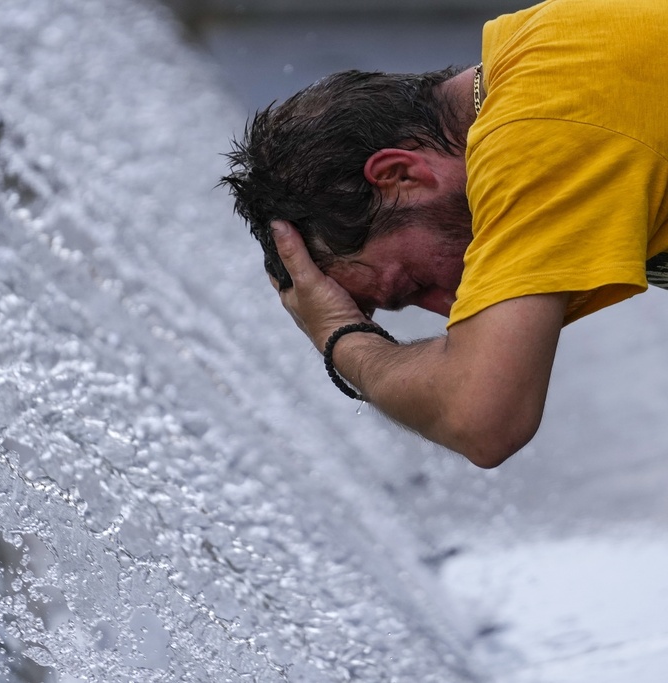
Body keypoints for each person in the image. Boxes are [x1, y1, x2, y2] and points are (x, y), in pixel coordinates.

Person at [220, 0, 668, 468]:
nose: (452, 307)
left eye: (416, 284)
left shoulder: (539, 131)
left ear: (400, 175)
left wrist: (341, 335)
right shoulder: (541, 56)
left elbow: (483, 418)